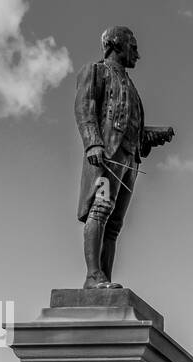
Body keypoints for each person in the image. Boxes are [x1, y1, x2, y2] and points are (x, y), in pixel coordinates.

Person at [74, 26, 175, 289]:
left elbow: (130, 125)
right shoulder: (95, 72)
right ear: (116, 44)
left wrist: (153, 133)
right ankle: (93, 276)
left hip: (129, 159)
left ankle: (104, 279)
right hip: (107, 155)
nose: (137, 54)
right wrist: (93, 144)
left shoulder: (130, 85)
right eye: (133, 46)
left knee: (115, 223)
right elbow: (85, 108)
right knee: (100, 209)